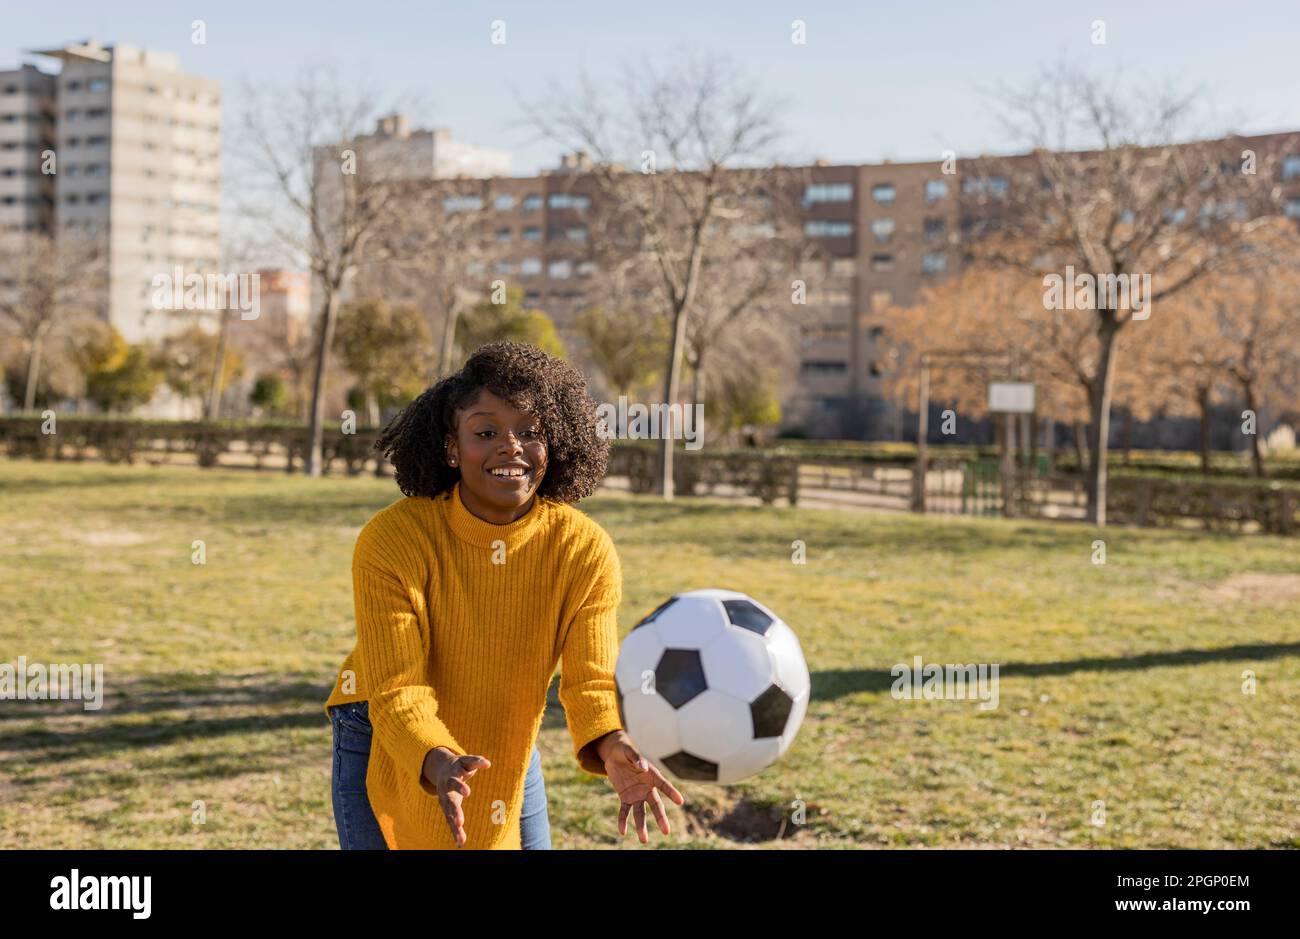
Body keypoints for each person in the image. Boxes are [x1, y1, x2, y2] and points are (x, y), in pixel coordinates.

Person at [325, 341, 684, 849]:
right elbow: (396, 688)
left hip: (504, 735)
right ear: (452, 446)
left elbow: (590, 682)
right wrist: (437, 759)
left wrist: (611, 741)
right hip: (386, 731)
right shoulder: (393, 539)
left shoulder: (584, 549)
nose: (511, 446)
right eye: (486, 431)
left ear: (555, 442)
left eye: (531, 431)